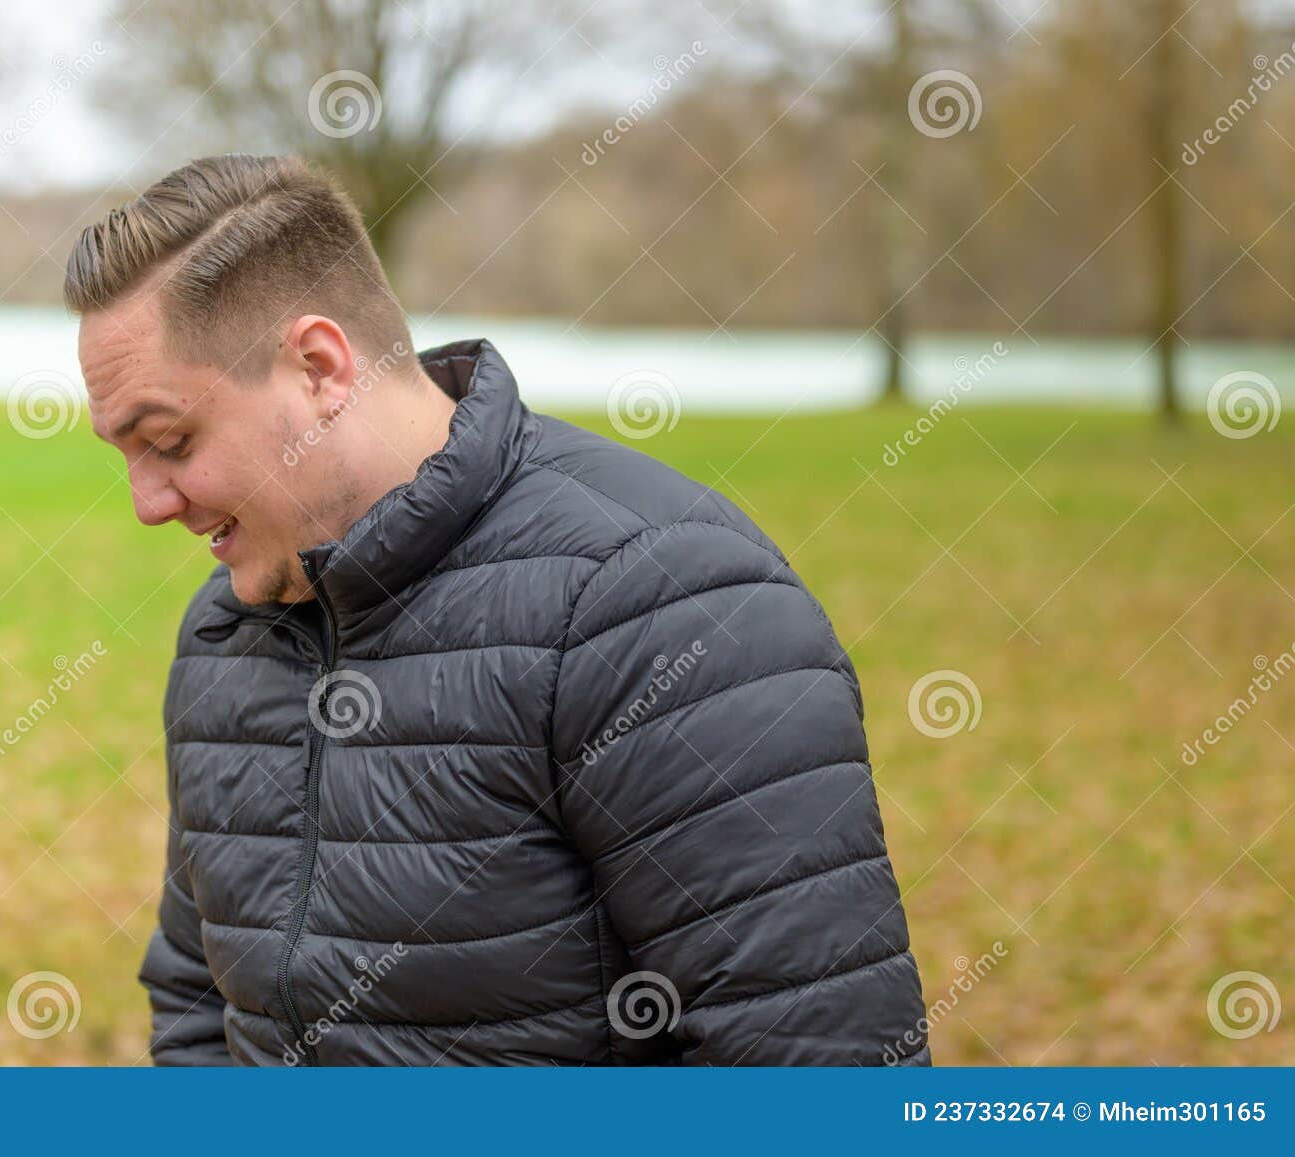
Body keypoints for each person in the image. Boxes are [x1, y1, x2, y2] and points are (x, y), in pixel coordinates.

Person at [65, 153, 928, 1066]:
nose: (147, 502)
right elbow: (200, 1003)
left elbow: (818, 1057)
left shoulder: (660, 603)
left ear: (319, 367)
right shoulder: (227, 632)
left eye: (170, 441)